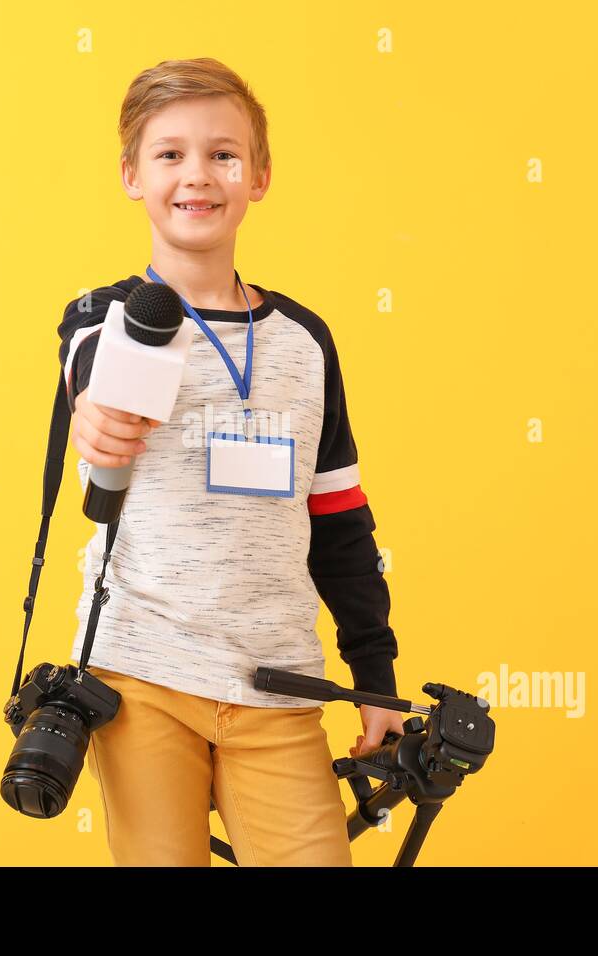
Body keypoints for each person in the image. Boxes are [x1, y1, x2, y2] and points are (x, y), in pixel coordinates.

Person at [56, 57, 402, 866]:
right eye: (169, 154)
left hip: (280, 682)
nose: (198, 175)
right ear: (131, 177)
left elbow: (340, 517)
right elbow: (89, 394)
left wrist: (375, 670)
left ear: (259, 176)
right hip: (142, 675)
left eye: (223, 154)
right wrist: (95, 421)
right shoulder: (101, 319)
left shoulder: (306, 341)